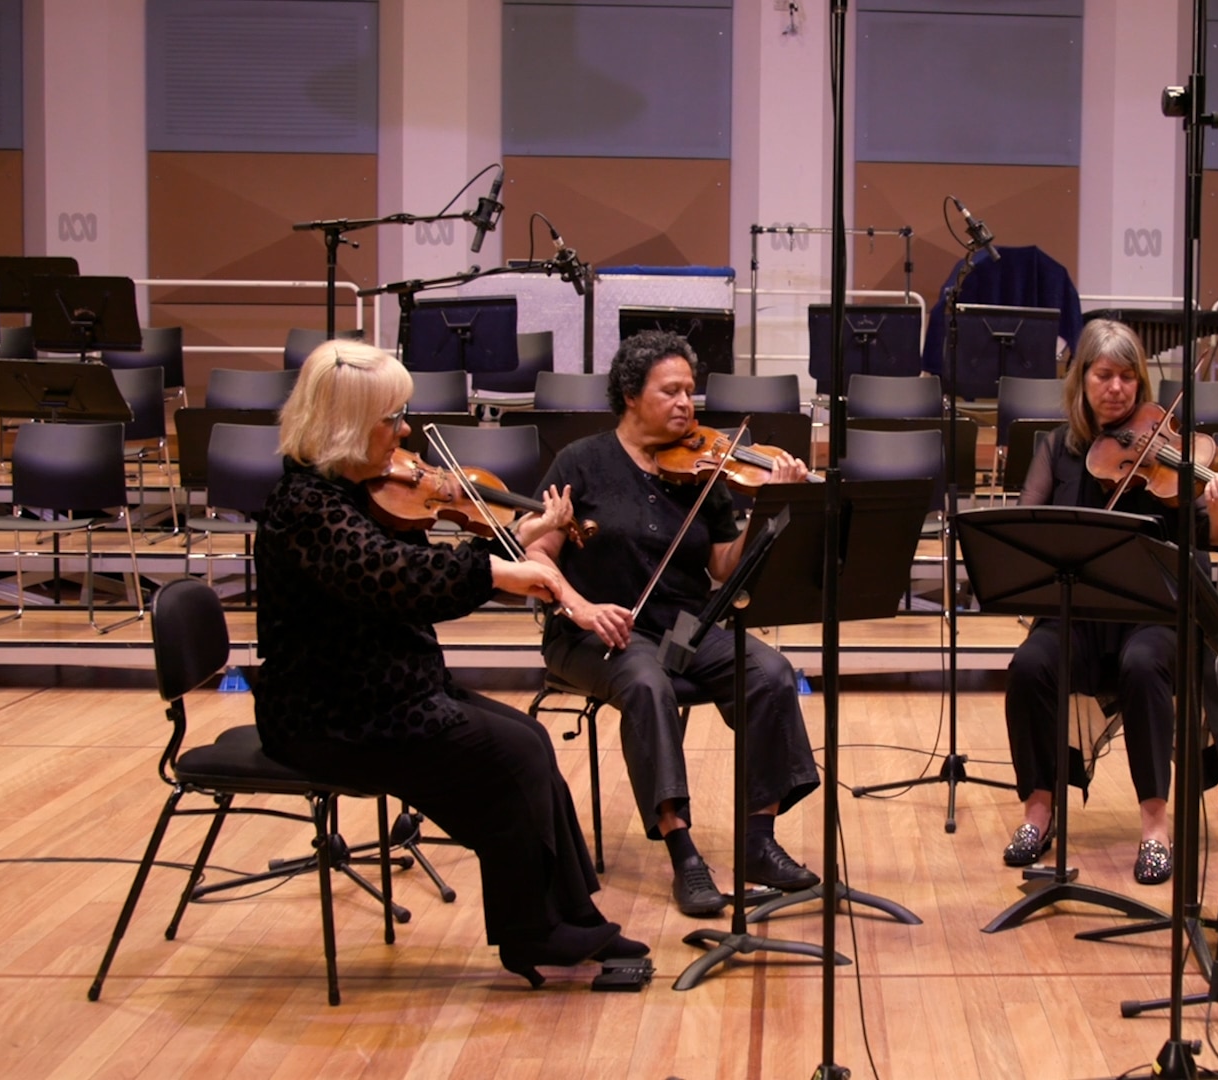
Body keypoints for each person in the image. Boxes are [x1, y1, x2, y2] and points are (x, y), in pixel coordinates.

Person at [253, 341, 637, 989]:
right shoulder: (306, 509)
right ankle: (531, 931)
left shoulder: (348, 493)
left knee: (531, 742)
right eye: (389, 419)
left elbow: (399, 554)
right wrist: (493, 569)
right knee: (508, 757)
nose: (404, 432)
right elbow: (396, 578)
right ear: (345, 425)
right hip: (328, 713)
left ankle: (568, 912)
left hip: (387, 693)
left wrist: (511, 529)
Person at [524, 330, 822, 918]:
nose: (687, 403)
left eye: (691, 391)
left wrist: (768, 511)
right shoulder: (581, 462)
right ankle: (683, 851)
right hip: (591, 632)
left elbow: (721, 565)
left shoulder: (703, 469)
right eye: (671, 391)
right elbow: (537, 555)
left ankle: (758, 842)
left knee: (768, 669)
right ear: (632, 395)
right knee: (645, 682)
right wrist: (581, 607)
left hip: (682, 626)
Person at [1001, 319, 1218, 886]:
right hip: (1080, 615)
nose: (1117, 389)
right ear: (1080, 379)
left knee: (1142, 666)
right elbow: (1025, 529)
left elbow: (1208, 539)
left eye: (1128, 378)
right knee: (1030, 664)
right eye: (1104, 375)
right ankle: (1040, 808)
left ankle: (1155, 824)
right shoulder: (1055, 450)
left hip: (1151, 618)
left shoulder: (1169, 455)